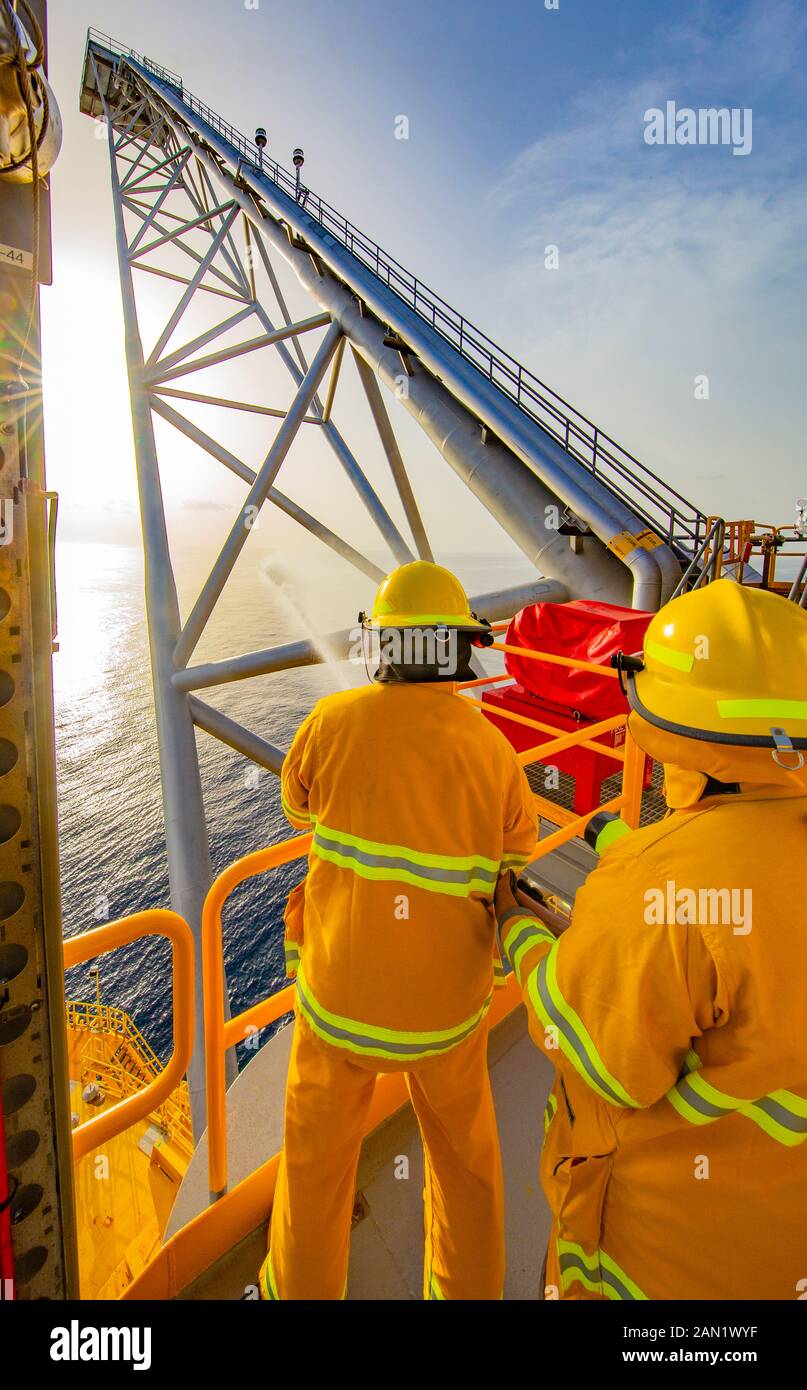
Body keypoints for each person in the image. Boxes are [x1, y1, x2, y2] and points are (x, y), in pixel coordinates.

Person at [495, 578, 807, 1300]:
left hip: (667, 1261)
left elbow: (594, 1058)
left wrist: (522, 933)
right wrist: (631, 857)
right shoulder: (663, 873)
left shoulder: (653, 883)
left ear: (657, 718)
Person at [260, 560, 537, 1300]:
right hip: (446, 1015)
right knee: (465, 1169)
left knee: (313, 1170)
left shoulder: (331, 724)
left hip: (338, 1005)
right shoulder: (494, 753)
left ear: (380, 647)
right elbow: (512, 864)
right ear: (455, 650)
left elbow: (299, 809)